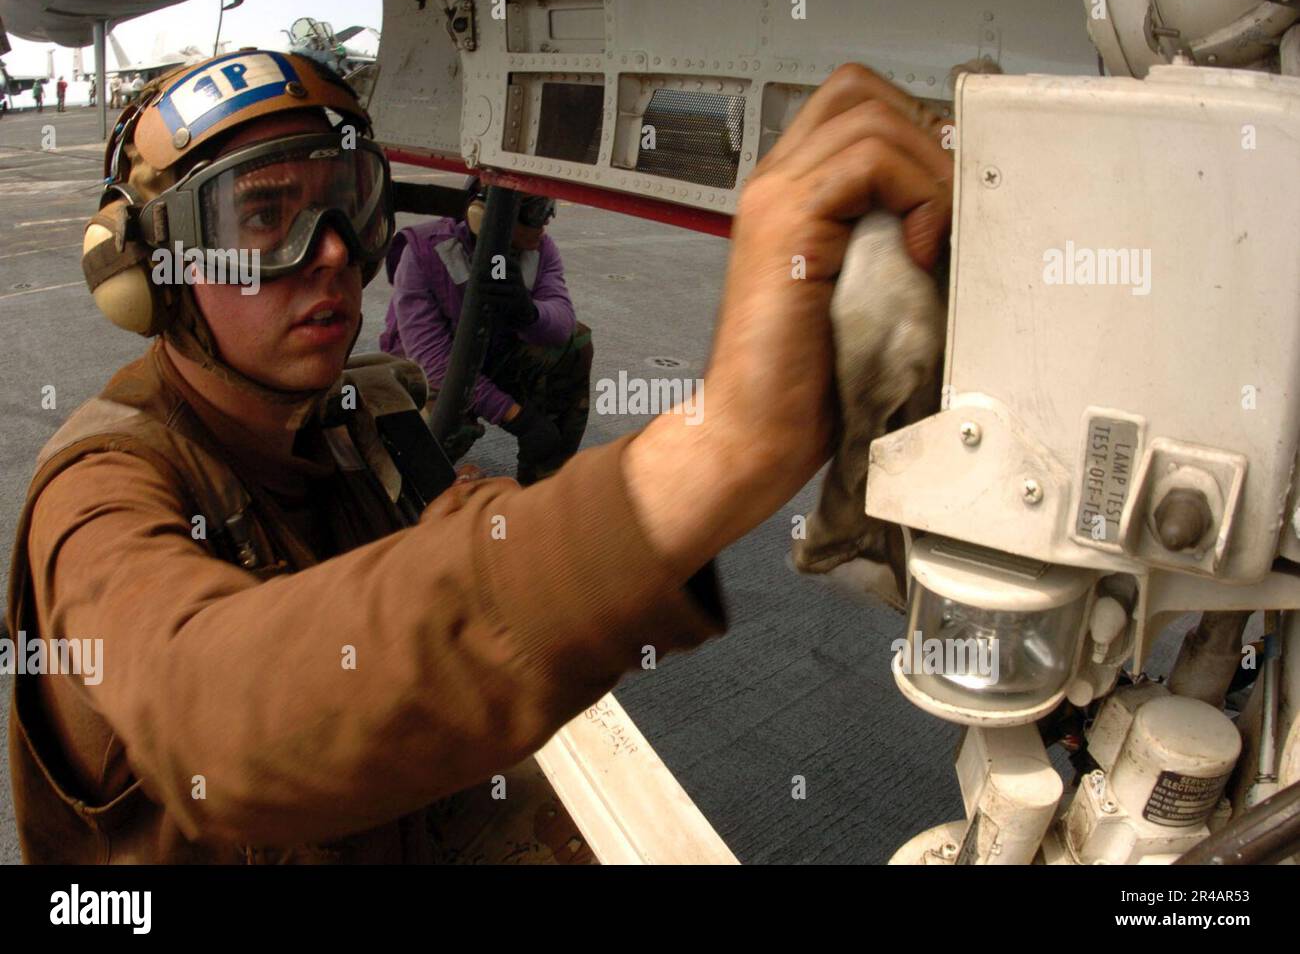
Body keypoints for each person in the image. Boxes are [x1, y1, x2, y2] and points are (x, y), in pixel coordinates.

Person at [6, 49, 952, 864]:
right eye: (265, 218)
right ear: (149, 275)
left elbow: (452, 531)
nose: (331, 252)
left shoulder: (355, 409)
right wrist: (717, 446)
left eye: (347, 205)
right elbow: (212, 718)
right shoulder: (97, 492)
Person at [379, 179, 591, 484]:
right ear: (485, 213)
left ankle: (544, 484)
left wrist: (529, 313)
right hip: (428, 377)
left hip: (490, 354)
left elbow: (563, 324)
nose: (547, 219)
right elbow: (436, 364)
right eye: (537, 210)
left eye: (550, 207)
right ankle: (415, 488)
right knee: (443, 421)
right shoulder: (424, 253)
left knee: (577, 345)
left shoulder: (540, 250)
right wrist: (518, 417)